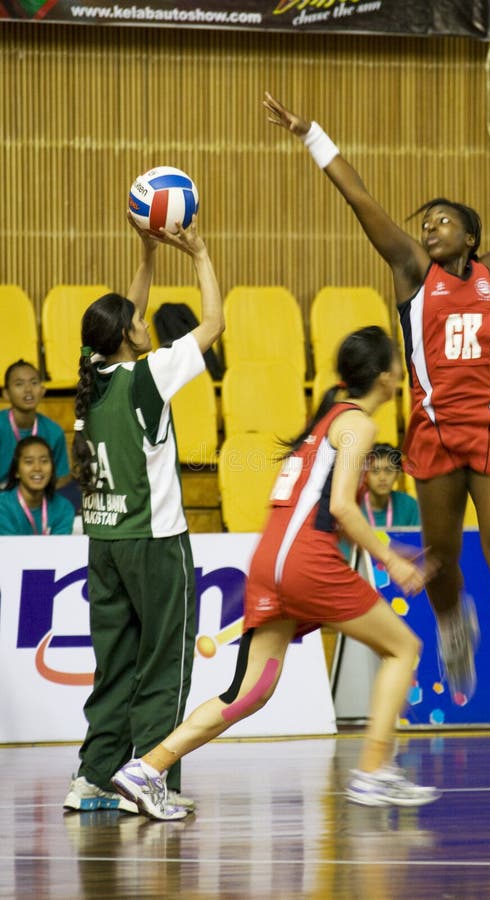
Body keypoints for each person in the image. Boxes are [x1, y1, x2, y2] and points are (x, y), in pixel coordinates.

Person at [263, 92, 490, 735]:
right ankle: (453, 627)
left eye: (444, 221)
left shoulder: (489, 273)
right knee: (441, 561)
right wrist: (312, 135)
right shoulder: (414, 272)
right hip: (434, 435)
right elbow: (361, 199)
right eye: (426, 222)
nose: (429, 228)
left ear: (470, 237)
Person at [109, 325, 441, 820]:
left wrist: (385, 546)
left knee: (251, 692)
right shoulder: (358, 424)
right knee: (404, 648)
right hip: (307, 562)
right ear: (386, 377)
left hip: (272, 560)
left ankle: (147, 769)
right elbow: (342, 507)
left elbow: (325, 507)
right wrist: (389, 559)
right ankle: (374, 770)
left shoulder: (327, 419)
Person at [63, 212, 224, 816]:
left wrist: (147, 254)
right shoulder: (148, 377)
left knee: (115, 665)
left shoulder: (93, 374)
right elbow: (214, 323)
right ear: (127, 337)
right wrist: (198, 254)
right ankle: (149, 779)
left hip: (103, 544)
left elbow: (123, 314)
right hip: (154, 545)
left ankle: (94, 778)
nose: (146, 319)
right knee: (163, 665)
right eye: (139, 320)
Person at [0, 359, 70, 490]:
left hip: (38, 497)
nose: (28, 389)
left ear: (42, 390)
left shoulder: (54, 432)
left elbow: (61, 478)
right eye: (19, 384)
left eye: (34, 383)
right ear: (6, 394)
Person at [0, 435, 75, 534]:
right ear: (16, 471)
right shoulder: (2, 507)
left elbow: (59, 544)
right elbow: (8, 544)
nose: (37, 468)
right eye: (29, 462)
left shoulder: (63, 508)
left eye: (44, 461)